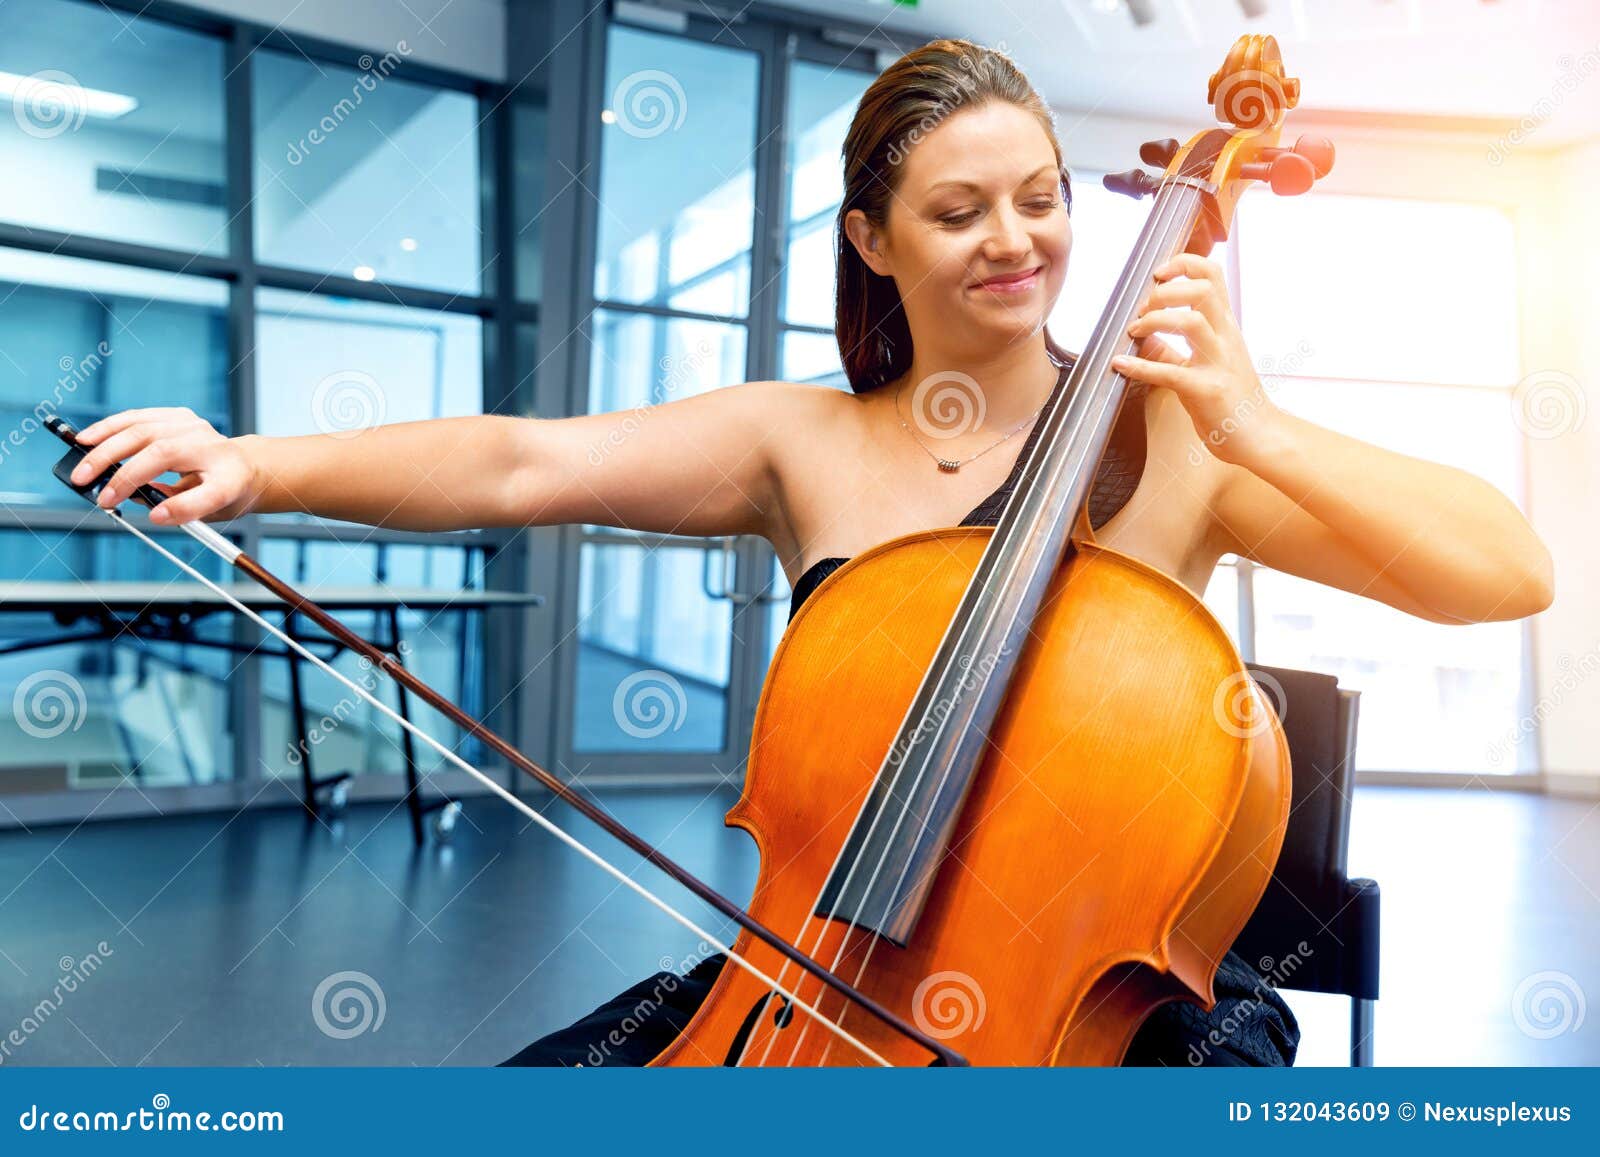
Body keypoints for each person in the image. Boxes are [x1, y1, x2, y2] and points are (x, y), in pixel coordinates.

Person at [64, 38, 1553, 1068]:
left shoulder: (1177, 443)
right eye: (958, 211)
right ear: (874, 238)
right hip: (816, 962)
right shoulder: (804, 441)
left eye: (1038, 197)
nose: (1015, 240)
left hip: (1107, 1009)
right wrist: (259, 462)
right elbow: (524, 459)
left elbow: (1503, 571)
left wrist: (1259, 424)